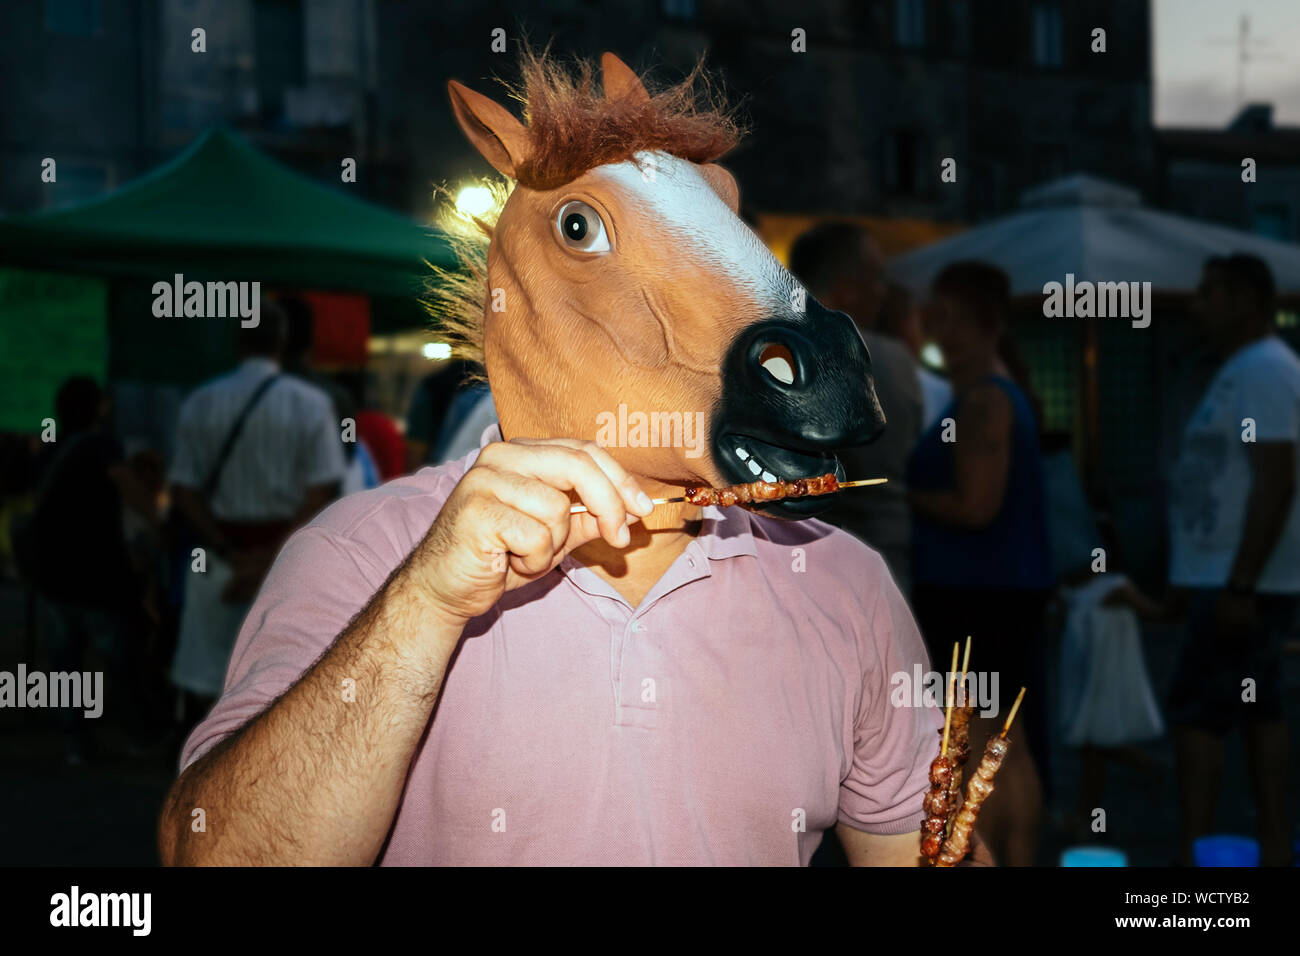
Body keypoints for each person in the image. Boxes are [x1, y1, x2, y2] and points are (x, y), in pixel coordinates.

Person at [906, 261, 1053, 866]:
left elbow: (976, 506)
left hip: (979, 595)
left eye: (953, 321)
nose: (942, 333)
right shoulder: (987, 392)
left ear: (987, 326)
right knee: (1005, 743)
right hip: (993, 591)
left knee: (989, 743)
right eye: (934, 319)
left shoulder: (986, 401)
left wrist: (895, 492)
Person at [1166, 253, 1298, 867]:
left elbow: (1276, 477)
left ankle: (1198, 860)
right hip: (1227, 577)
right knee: (1256, 709)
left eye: (1209, 293)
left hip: (1239, 580)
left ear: (1245, 300)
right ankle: (1266, 849)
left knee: (1201, 716)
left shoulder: (1265, 371)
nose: (1197, 305)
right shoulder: (1245, 370)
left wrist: (1242, 582)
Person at [166, 302, 345, 724]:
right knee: (275, 678)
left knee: (208, 676)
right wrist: (266, 558)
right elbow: (322, 490)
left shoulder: (202, 401)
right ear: (282, 343)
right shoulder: (311, 403)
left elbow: (184, 490)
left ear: (237, 341)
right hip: (284, 563)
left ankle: (197, 769)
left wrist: (230, 552)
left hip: (214, 560)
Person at [15, 377, 151, 761]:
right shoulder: (103, 446)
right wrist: (157, 521)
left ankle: (77, 742)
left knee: (65, 666)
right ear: (98, 408)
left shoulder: (48, 448)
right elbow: (127, 485)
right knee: (120, 660)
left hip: (53, 576)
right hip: (98, 576)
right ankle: (137, 737)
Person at [789, 222, 922, 595]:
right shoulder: (893, 359)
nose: (883, 293)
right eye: (876, 279)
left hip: (800, 558)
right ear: (848, 289)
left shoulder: (777, 355)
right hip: (886, 554)